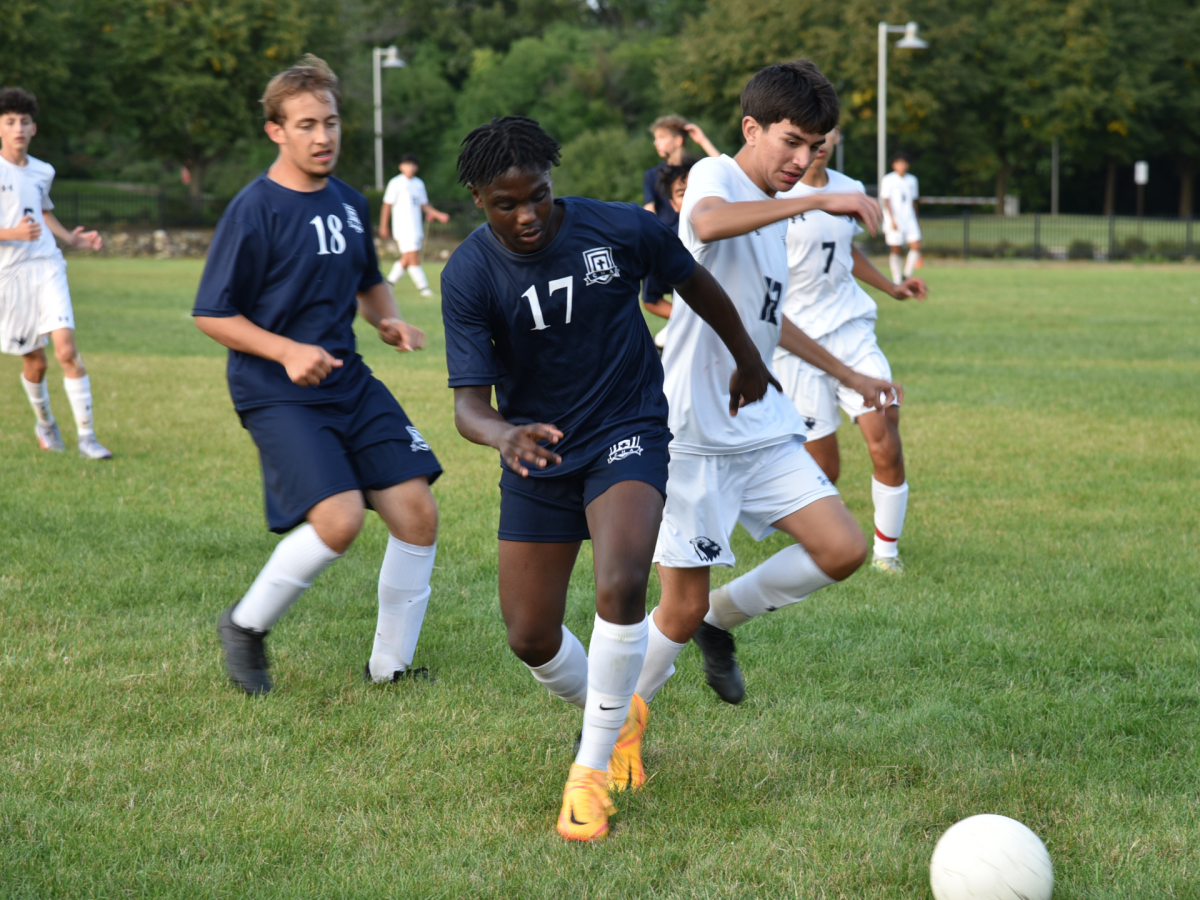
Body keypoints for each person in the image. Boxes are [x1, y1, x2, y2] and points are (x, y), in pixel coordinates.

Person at [441, 115, 774, 842]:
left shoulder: (618, 228)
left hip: (628, 429)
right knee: (530, 636)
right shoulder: (468, 273)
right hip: (536, 453)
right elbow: (468, 406)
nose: (527, 216)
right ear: (477, 199)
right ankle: (620, 715)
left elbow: (695, 282)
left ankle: (589, 775)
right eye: (506, 204)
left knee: (621, 583)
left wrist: (747, 357)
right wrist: (502, 434)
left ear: (551, 181)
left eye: (538, 195)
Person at [635, 60, 902, 725]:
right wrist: (813, 200)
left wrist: (851, 376)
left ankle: (719, 620)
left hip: (759, 421)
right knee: (677, 608)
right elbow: (708, 222)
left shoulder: (776, 209)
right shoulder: (716, 175)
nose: (803, 160)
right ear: (751, 128)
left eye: (815, 146)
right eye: (791, 142)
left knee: (842, 549)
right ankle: (616, 727)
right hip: (693, 430)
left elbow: (770, 315)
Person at [193, 57, 442, 696]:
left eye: (330, 122)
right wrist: (286, 352)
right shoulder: (253, 211)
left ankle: (390, 668)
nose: (323, 136)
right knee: (339, 520)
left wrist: (388, 319)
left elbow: (368, 281)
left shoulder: (350, 202)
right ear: (276, 131)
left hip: (347, 380)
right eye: (306, 125)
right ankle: (245, 627)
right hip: (277, 390)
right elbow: (212, 313)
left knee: (417, 512)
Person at [776, 127, 927, 574]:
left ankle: (886, 555)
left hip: (851, 331)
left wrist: (891, 287)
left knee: (885, 436)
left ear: (837, 135)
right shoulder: (775, 195)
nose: (819, 142)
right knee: (826, 469)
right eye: (808, 133)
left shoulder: (850, 188)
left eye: (826, 131)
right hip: (798, 343)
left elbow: (845, 250)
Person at [0, 87, 111, 459]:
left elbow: (42, 211)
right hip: (9, 276)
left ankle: (88, 437)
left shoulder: (43, 171)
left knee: (66, 350)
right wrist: (12, 234)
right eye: (10, 121)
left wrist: (71, 238)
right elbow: (20, 224)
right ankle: (45, 423)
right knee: (36, 362)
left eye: (24, 121)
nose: (18, 128)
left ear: (34, 128)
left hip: (47, 264)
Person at [641, 116, 720, 323]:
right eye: (681, 194)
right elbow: (649, 211)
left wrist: (702, 140)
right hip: (672, 238)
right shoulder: (653, 175)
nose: (656, 143)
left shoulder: (698, 168)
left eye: (661, 137)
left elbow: (728, 174)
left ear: (678, 140)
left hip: (702, 234)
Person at [379, 153, 449, 296]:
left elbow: (424, 205)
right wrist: (383, 226)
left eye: (412, 165)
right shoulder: (396, 183)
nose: (410, 168)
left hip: (415, 226)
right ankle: (424, 289)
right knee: (413, 257)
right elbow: (387, 205)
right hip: (402, 227)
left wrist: (438, 215)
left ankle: (387, 286)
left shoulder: (418, 184)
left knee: (407, 259)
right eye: (407, 165)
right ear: (401, 167)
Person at [646, 158, 697, 353]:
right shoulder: (665, 243)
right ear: (673, 204)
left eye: (697, 189)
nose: (692, 198)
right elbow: (651, 300)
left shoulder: (735, 232)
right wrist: (693, 319)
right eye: (682, 194)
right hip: (693, 338)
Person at [879, 151, 921, 283]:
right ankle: (897, 280)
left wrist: (917, 220)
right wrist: (892, 219)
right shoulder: (888, 179)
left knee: (916, 247)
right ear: (894, 165)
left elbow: (914, 201)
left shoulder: (912, 180)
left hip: (909, 218)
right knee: (896, 250)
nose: (902, 166)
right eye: (899, 163)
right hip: (895, 219)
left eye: (904, 163)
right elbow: (886, 200)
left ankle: (906, 275)